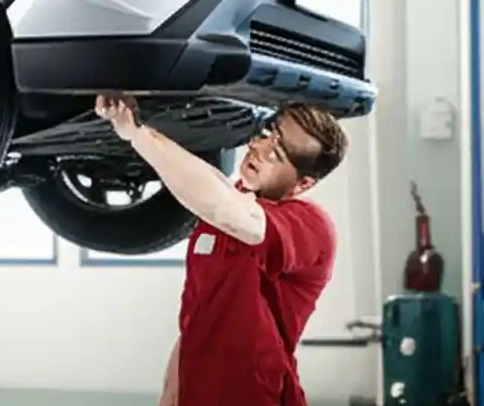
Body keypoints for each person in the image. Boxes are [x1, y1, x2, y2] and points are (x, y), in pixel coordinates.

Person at [95, 93, 348, 406]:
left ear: (303, 184)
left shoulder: (311, 226)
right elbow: (199, 316)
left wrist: (138, 135)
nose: (259, 148)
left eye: (277, 153)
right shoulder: (229, 206)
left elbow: (227, 207)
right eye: (268, 134)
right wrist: (170, 394)